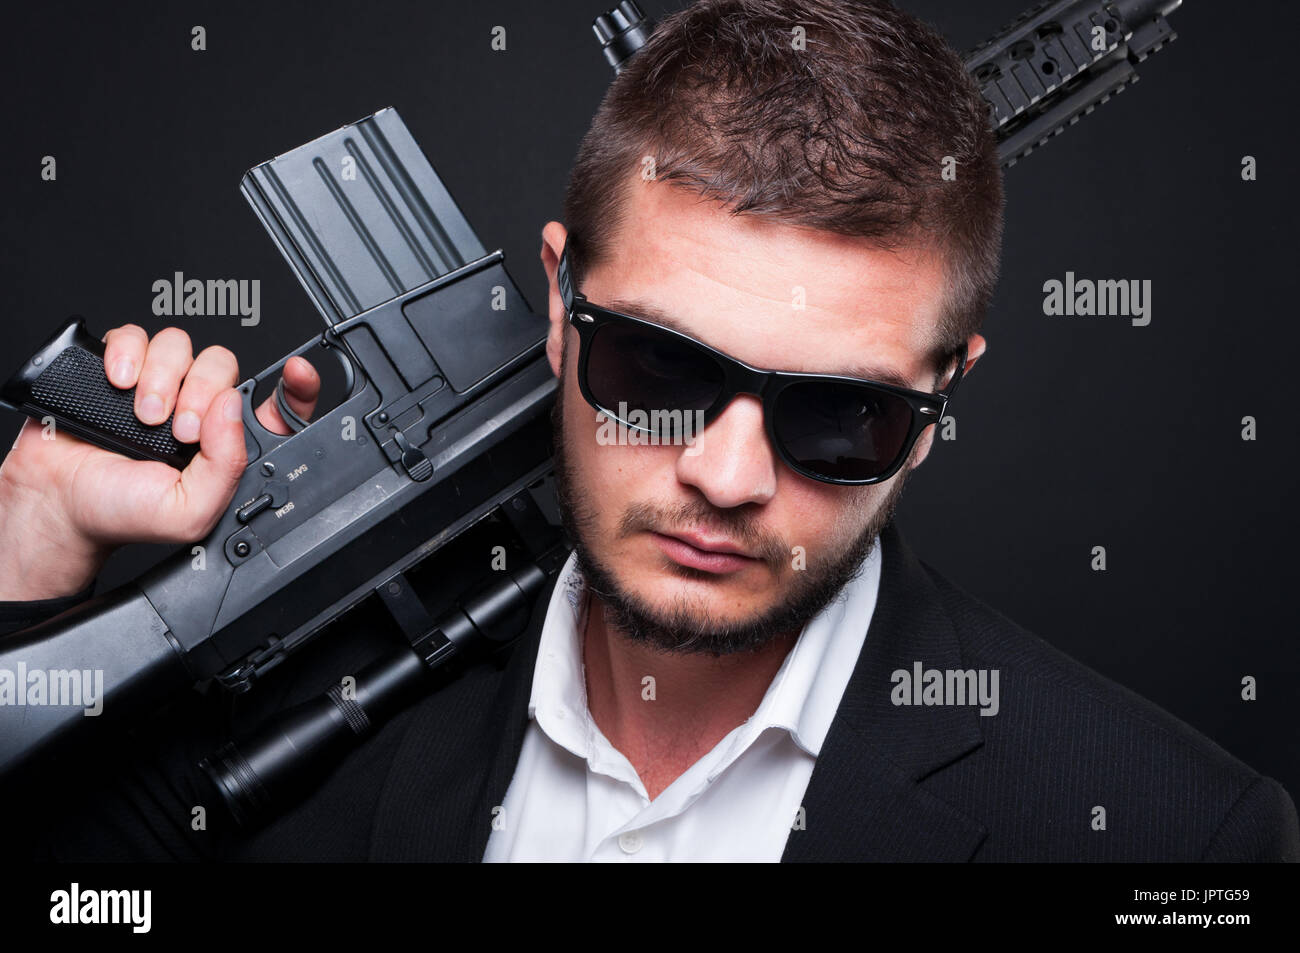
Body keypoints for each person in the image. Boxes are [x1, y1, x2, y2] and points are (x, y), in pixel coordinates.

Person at [1, 0, 1296, 862]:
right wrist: (29, 590)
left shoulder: (1170, 839)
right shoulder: (302, 735)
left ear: (943, 393)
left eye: (839, 411)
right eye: (655, 363)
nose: (725, 475)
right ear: (558, 306)